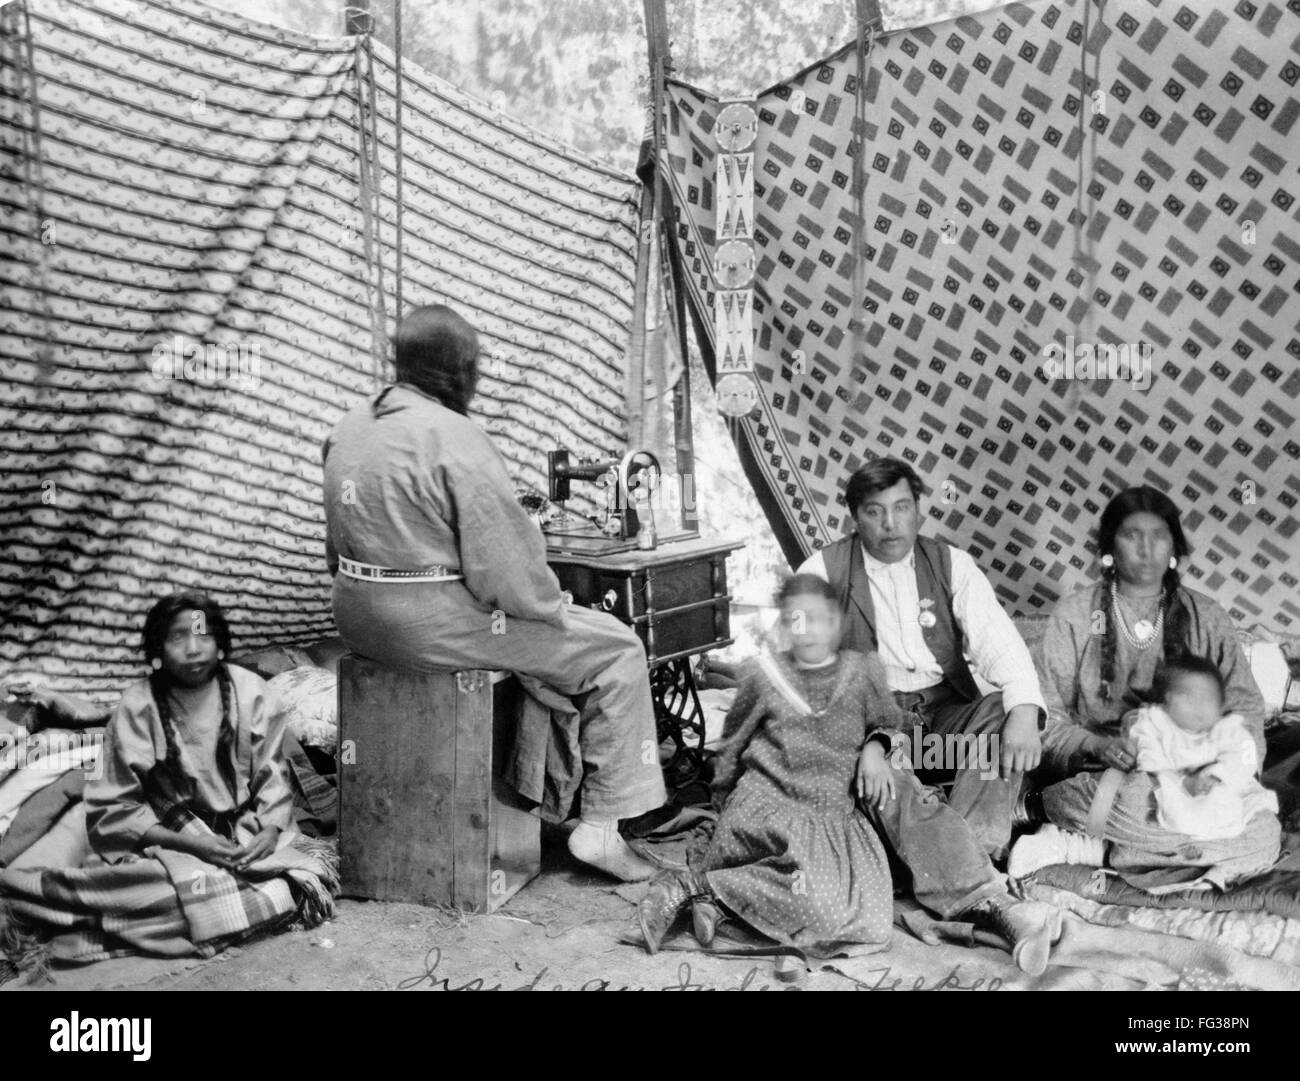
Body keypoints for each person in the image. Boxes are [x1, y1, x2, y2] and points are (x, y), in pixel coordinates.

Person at [321, 305, 666, 882]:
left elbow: (337, 546)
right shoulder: (455, 436)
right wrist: (555, 612)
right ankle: (600, 828)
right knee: (618, 648)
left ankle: (552, 779)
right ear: (460, 371)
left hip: (356, 615)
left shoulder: (349, 427)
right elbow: (505, 573)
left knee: (547, 638)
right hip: (425, 625)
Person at [638, 576, 1062, 975]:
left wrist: (877, 746)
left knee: (954, 751)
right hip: (800, 796)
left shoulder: (870, 662)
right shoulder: (773, 674)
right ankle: (707, 888)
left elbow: (889, 722)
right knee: (854, 854)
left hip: (881, 763)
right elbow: (734, 752)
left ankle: (983, 886)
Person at [0, 593, 336, 969]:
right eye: (178, 638)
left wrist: (270, 831)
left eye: (203, 636)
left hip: (238, 823)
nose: (193, 649)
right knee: (141, 885)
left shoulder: (251, 694)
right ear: (157, 651)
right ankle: (43, 902)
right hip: (165, 819)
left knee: (268, 882)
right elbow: (115, 807)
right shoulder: (138, 706)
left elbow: (273, 774)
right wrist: (187, 844)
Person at [1019, 486, 1279, 892]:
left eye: (1158, 536)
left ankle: (1093, 850)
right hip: (1109, 778)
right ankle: (1076, 824)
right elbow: (1043, 718)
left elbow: (1245, 710)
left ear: (1175, 546)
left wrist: (1222, 771)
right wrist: (1095, 745)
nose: (1146, 550)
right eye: (1131, 536)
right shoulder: (1074, 616)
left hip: (1199, 775)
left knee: (1264, 831)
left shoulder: (1206, 616)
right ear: (1109, 547)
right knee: (1135, 800)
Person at [798, 456, 1045, 859]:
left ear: (919, 510)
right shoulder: (822, 572)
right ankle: (958, 864)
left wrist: (1024, 711)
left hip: (943, 726)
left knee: (1008, 709)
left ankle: (970, 851)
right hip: (874, 728)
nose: (890, 524)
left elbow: (1000, 643)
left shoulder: (953, 565)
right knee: (874, 775)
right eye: (874, 512)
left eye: (901, 508)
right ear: (855, 518)